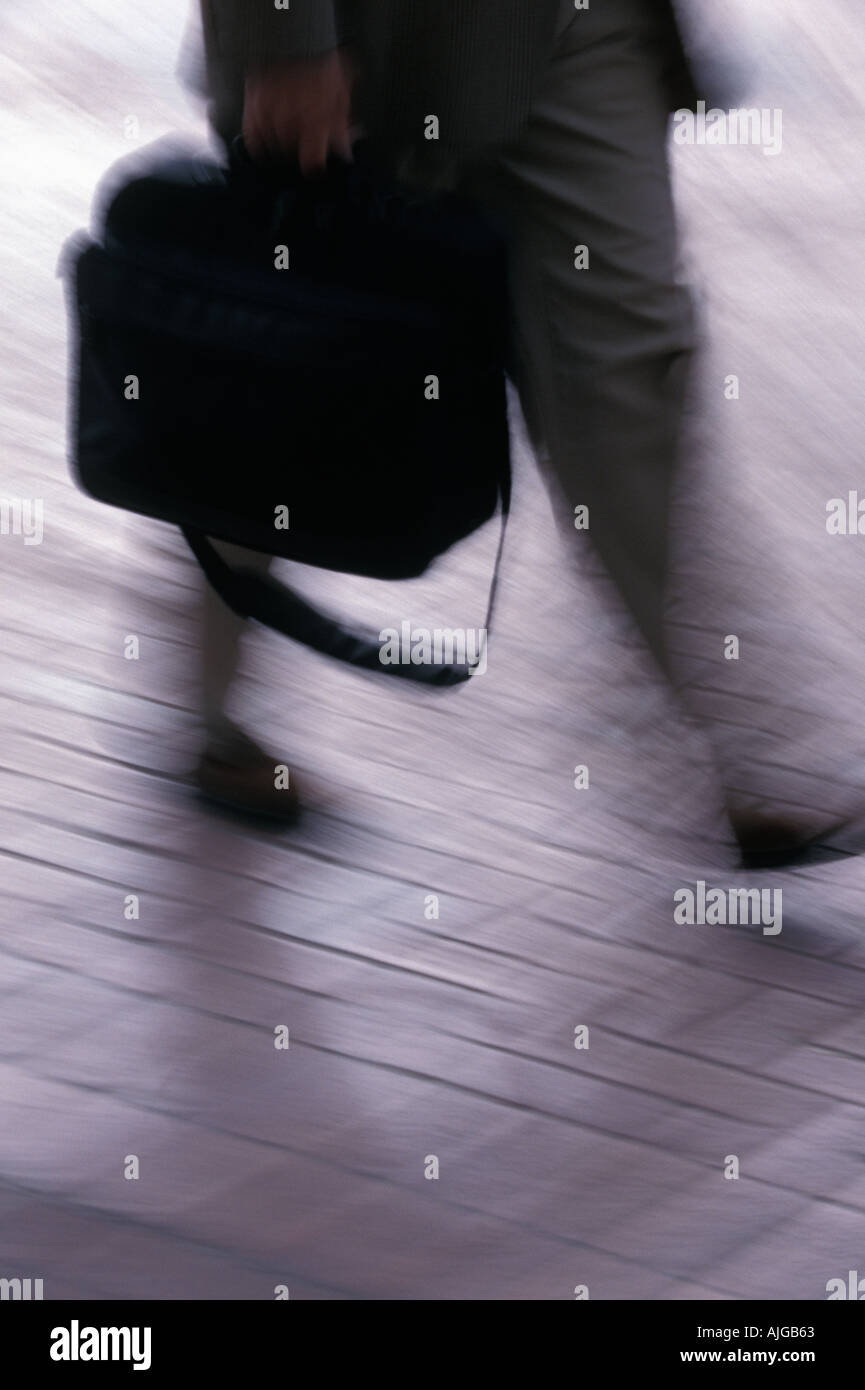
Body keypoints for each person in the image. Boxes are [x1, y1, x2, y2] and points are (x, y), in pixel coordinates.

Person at [183, 0, 848, 865]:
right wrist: (284, 35)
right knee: (292, 348)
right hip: (369, 35)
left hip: (585, 31)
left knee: (632, 360)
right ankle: (208, 707)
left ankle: (757, 744)